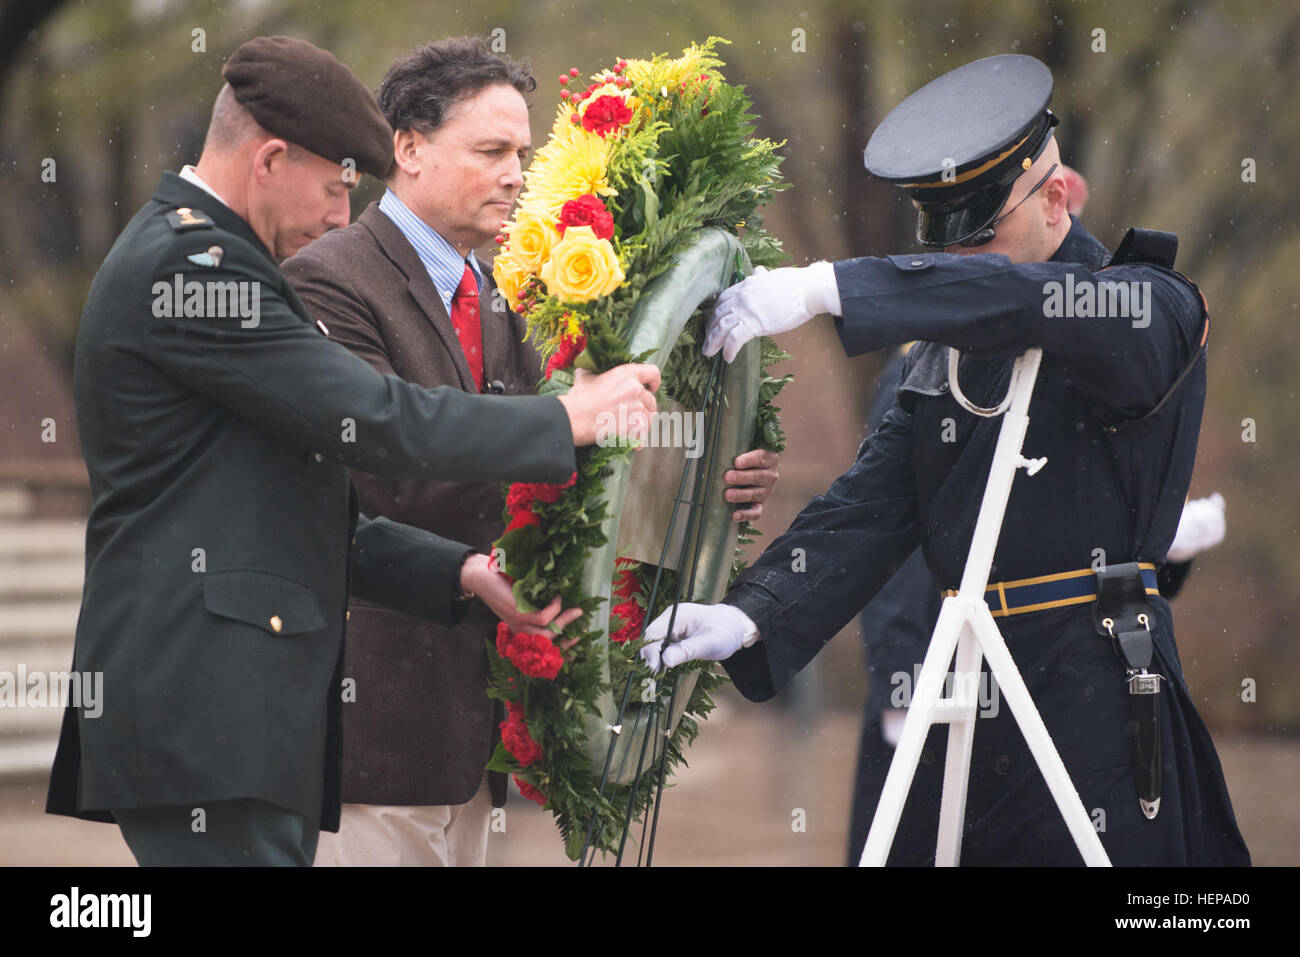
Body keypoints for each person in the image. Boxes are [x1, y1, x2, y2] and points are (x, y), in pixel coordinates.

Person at [46, 35, 658, 866]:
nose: (342, 215)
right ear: (269, 159)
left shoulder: (210, 255)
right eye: (337, 187)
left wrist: (459, 574)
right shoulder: (193, 263)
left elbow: (287, 499)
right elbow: (374, 419)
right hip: (209, 707)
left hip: (225, 714)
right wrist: (568, 419)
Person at [642, 54, 1250, 865]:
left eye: (984, 238)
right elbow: (873, 504)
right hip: (965, 691)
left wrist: (833, 287)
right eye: (949, 248)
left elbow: (1027, 302)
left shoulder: (1144, 302)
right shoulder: (949, 356)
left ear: (1058, 197)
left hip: (1096, 694)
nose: (965, 265)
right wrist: (752, 610)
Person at [281, 36, 781, 867]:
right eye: (491, 151)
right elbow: (390, 468)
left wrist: (703, 464)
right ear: (407, 148)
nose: (516, 173)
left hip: (476, 728)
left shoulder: (503, 289)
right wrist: (572, 421)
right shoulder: (329, 279)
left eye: (523, 151)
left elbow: (562, 469)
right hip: (374, 726)